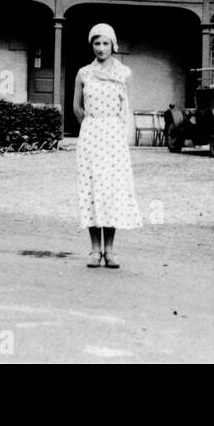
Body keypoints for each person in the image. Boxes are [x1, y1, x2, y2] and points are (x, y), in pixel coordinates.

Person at [73, 23, 143, 269]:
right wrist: (92, 127)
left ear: (113, 45)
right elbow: (77, 108)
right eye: (96, 43)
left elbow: (127, 107)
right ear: (91, 45)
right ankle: (94, 250)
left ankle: (110, 251)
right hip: (92, 136)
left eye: (105, 43)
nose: (101, 48)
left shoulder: (124, 73)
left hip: (113, 137)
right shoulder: (83, 73)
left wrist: (117, 132)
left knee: (111, 191)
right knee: (92, 191)